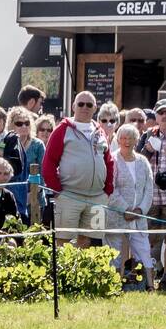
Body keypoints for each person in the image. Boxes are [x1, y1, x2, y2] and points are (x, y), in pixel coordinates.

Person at [44, 90, 114, 248]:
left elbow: (109, 161)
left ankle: (83, 273)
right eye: (81, 104)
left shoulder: (100, 131)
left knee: (89, 242)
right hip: (69, 195)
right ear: (73, 106)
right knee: (63, 241)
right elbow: (48, 162)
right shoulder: (61, 130)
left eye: (89, 104)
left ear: (95, 108)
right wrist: (58, 191)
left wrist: (107, 190)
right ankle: (64, 273)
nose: (85, 107)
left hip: (97, 197)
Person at [107, 123, 155, 289]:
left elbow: (149, 189)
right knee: (115, 254)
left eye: (131, 138)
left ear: (136, 140)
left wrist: (140, 210)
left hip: (138, 218)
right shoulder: (112, 160)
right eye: (123, 138)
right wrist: (125, 209)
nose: (127, 141)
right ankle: (115, 286)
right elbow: (111, 189)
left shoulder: (143, 162)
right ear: (118, 139)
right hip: (117, 216)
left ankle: (149, 285)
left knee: (144, 250)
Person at [142, 99, 166, 287]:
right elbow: (139, 161)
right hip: (153, 196)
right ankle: (148, 277)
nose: (164, 116)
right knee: (149, 238)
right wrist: (147, 151)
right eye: (161, 113)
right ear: (156, 116)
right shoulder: (149, 134)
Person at [7, 106, 43, 222]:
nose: (24, 126)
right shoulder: (8, 144)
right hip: (13, 197)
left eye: (27, 123)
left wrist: (32, 193)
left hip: (35, 196)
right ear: (11, 125)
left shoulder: (38, 145)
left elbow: (43, 172)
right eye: (19, 123)